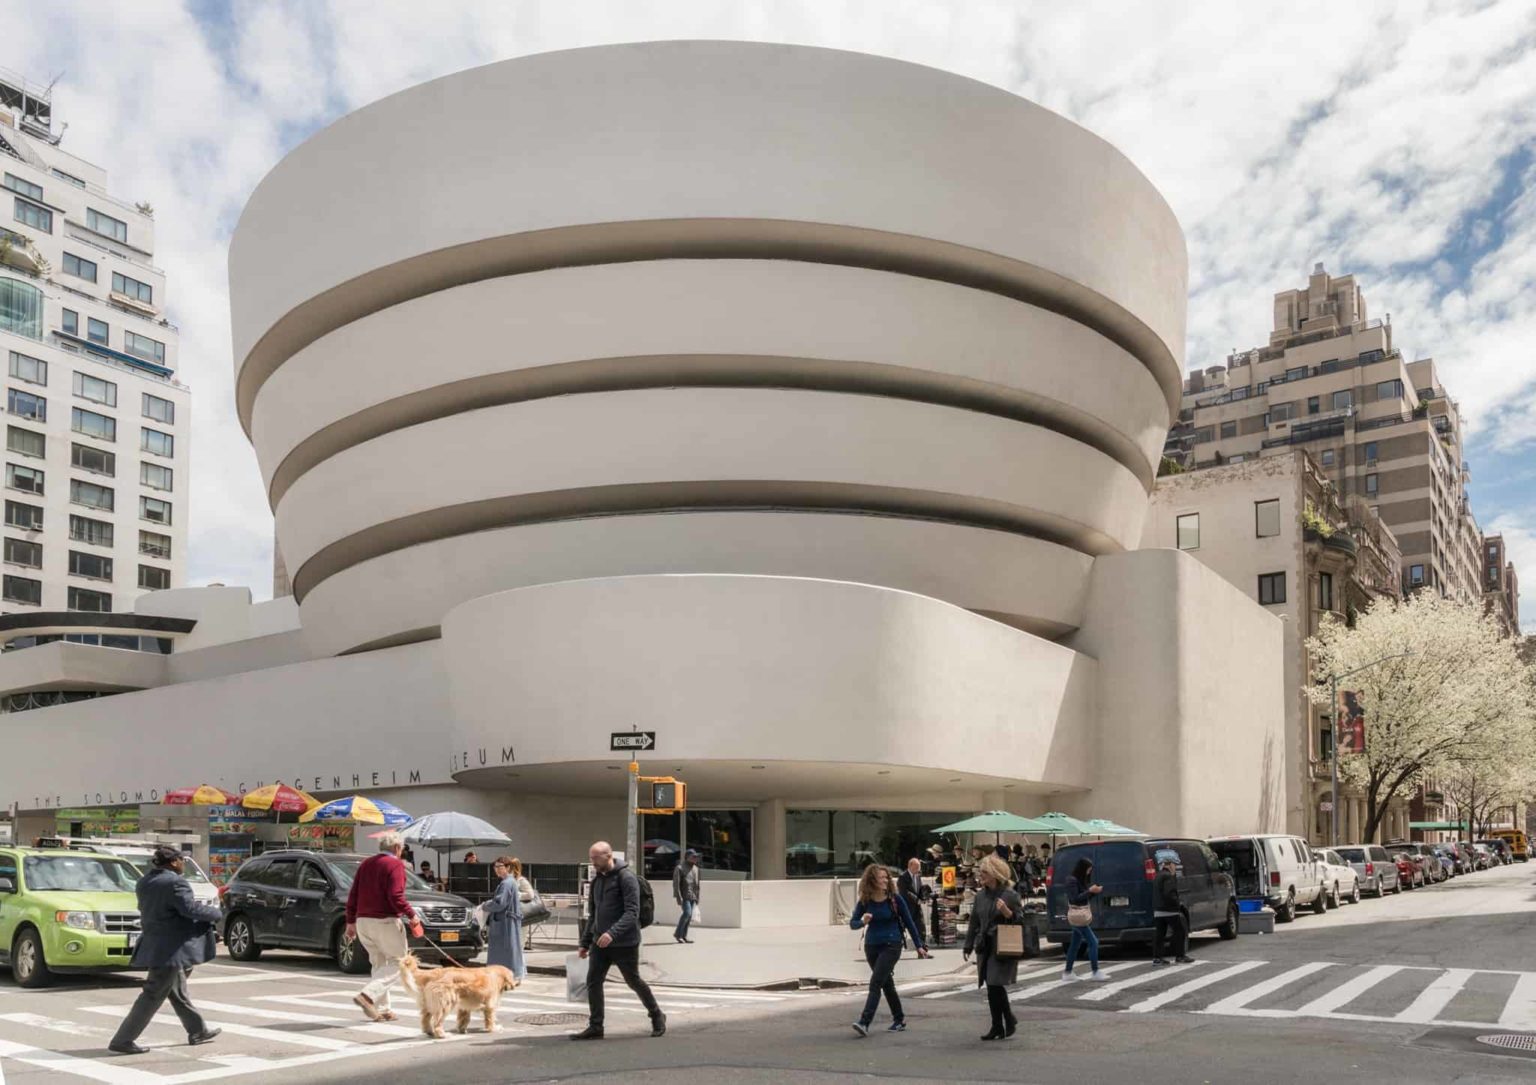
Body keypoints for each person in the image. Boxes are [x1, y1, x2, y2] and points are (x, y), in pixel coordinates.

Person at [108, 846, 224, 1055]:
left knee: (178, 992)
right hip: (170, 949)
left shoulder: (144, 881)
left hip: (157, 944)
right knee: (152, 994)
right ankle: (122, 1039)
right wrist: (216, 912)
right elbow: (189, 909)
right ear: (173, 862)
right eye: (182, 861)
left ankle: (198, 1031)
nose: (183, 864)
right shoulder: (175, 882)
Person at [573, 841, 665, 1041]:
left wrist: (612, 933)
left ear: (608, 856)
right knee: (593, 982)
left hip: (625, 942)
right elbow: (594, 914)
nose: (593, 863)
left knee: (633, 981)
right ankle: (596, 1026)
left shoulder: (626, 878)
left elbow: (632, 912)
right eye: (591, 858)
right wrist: (585, 942)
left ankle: (657, 1015)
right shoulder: (598, 880)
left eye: (595, 859)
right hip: (600, 942)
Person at [346, 831, 423, 1023]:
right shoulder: (395, 864)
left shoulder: (365, 864)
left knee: (379, 964)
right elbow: (396, 896)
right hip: (385, 921)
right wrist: (412, 915)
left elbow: (353, 894)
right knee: (400, 962)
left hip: (363, 921)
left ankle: (384, 1009)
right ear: (397, 848)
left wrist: (350, 922)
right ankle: (368, 995)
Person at [848, 863, 928, 1036]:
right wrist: (863, 922)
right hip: (871, 946)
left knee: (876, 982)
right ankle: (899, 1019)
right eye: (880, 877)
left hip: (892, 945)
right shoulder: (865, 901)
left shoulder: (895, 899)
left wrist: (919, 945)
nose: (885, 880)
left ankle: (864, 1021)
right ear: (872, 880)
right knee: (886, 983)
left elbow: (909, 922)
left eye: (886, 877)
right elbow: (852, 924)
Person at [963, 854, 1023, 1041]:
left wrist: (1007, 912)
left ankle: (1006, 1021)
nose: (981, 876)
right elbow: (974, 922)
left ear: (995, 874)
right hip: (985, 946)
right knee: (991, 986)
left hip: (1002, 945)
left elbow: (1021, 920)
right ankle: (1000, 1024)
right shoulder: (980, 896)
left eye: (984, 873)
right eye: (980, 873)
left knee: (995, 983)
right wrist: (967, 945)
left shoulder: (1010, 895)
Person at [1062, 856, 1105, 981]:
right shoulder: (1072, 880)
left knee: (1075, 944)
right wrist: (1090, 890)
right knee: (1093, 942)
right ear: (1082, 869)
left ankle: (1068, 972)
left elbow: (1083, 898)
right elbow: (1075, 898)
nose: (1089, 872)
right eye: (1088, 869)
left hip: (1079, 915)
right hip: (1078, 915)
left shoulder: (1079, 880)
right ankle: (1095, 971)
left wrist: (1093, 892)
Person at [485, 855, 525, 979]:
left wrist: (485, 905)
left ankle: (506, 975)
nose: (496, 869)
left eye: (499, 867)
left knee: (504, 951)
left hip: (505, 924)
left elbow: (499, 903)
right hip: (508, 921)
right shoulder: (509, 881)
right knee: (511, 950)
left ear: (507, 867)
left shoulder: (506, 883)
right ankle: (513, 974)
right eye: (495, 867)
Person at [1152, 855, 1193, 966]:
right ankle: (1180, 955)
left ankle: (1157, 958)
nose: (1175, 867)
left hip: (1158, 910)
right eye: (1174, 865)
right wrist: (1177, 904)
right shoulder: (1168, 876)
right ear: (1169, 865)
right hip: (1169, 910)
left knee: (1160, 934)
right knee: (1180, 931)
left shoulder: (1157, 876)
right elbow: (1169, 893)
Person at [896, 857, 928, 944]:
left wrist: (924, 897)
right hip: (906, 908)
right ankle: (895, 946)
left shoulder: (917, 876)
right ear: (910, 866)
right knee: (901, 929)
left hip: (917, 908)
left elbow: (919, 889)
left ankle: (923, 950)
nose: (918, 869)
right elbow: (905, 892)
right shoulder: (902, 877)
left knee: (921, 929)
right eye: (917, 867)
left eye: (919, 867)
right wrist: (916, 899)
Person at [672, 848, 700, 944]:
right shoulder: (679, 868)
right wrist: (678, 897)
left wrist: (697, 897)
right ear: (687, 857)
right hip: (684, 896)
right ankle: (678, 934)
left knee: (689, 916)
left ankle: (684, 936)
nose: (696, 859)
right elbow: (676, 884)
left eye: (696, 857)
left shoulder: (696, 869)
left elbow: (697, 885)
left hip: (693, 896)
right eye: (693, 857)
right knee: (687, 913)